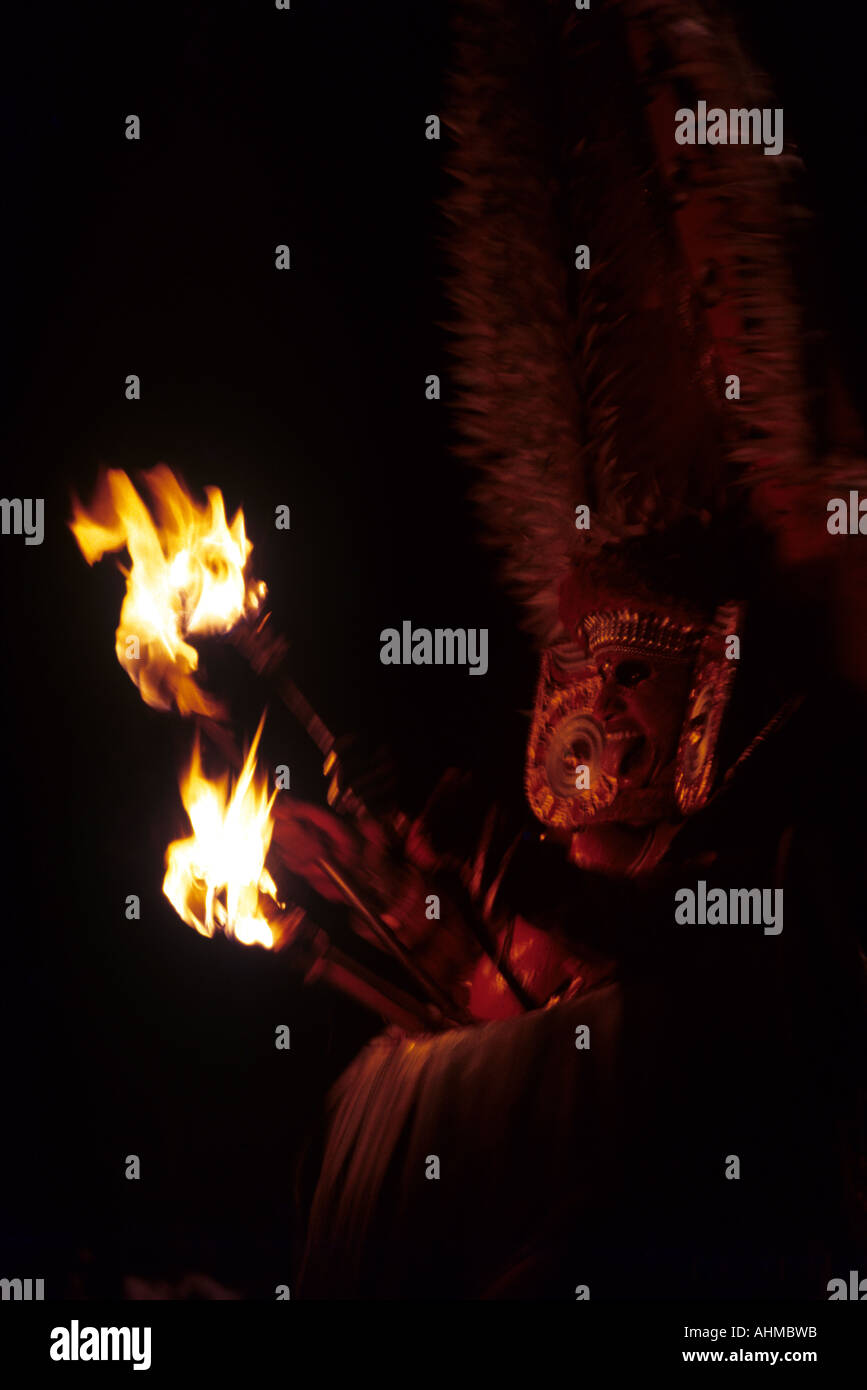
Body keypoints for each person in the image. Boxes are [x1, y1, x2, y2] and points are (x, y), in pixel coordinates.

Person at [272, 0, 867, 1299]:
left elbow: (693, 968)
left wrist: (530, 906)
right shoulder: (567, 919)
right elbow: (510, 972)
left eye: (633, 688)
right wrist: (393, 889)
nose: (597, 717)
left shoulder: (776, 875)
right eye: (578, 687)